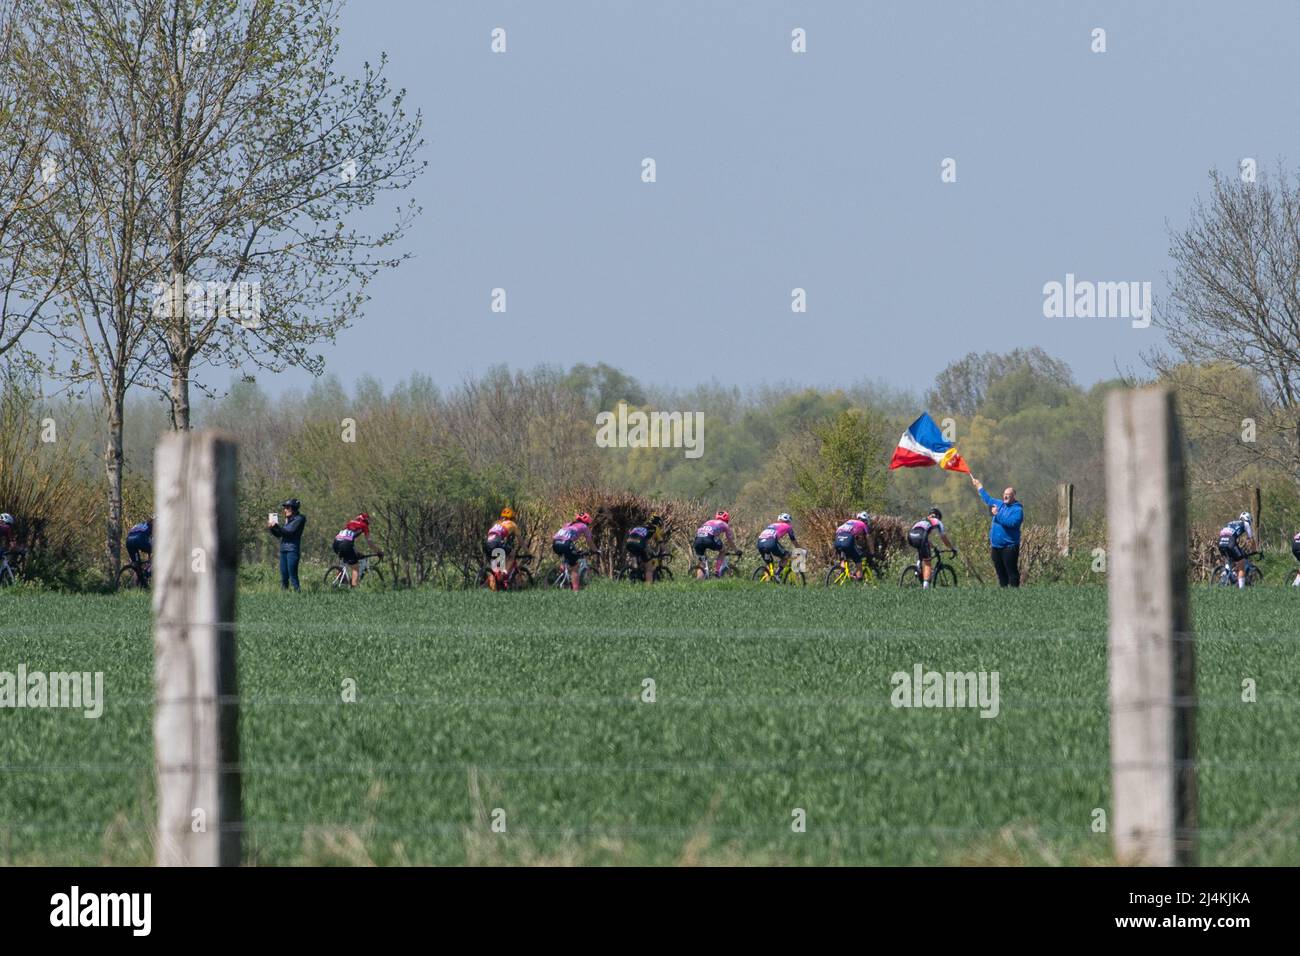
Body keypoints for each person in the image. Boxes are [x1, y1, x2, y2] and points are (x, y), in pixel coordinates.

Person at [970, 475, 1024, 587]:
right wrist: (979, 486)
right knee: (1000, 573)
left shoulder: (1018, 510)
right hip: (996, 546)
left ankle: (1015, 594)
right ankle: (1003, 594)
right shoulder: (999, 504)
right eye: (1005, 494)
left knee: (1011, 572)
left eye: (1008, 495)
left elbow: (1012, 523)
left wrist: (997, 515)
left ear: (1014, 497)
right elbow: (988, 499)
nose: (1006, 496)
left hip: (1009, 546)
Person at [907, 508, 956, 588]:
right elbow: (944, 538)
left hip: (910, 536)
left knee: (921, 552)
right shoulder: (938, 522)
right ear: (938, 517)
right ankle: (926, 588)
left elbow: (923, 537)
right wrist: (952, 548)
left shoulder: (923, 520)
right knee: (927, 563)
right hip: (920, 537)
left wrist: (933, 546)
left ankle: (918, 568)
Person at [333, 512, 382, 587]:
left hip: (336, 542)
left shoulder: (351, 523)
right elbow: (369, 542)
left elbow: (348, 538)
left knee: (343, 562)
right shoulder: (364, 525)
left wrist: (356, 552)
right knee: (355, 567)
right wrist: (378, 551)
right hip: (346, 544)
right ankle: (354, 589)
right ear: (366, 520)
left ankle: (341, 581)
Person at [267, 498, 306, 591]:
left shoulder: (300, 518)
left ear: (294, 508)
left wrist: (276, 526)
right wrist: (272, 528)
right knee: (284, 575)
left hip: (292, 549)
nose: (285, 510)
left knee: (293, 575)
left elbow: (289, 532)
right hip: (284, 549)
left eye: (287, 507)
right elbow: (280, 534)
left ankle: (298, 594)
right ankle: (284, 596)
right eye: (284, 508)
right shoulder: (288, 520)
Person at [552, 511, 596, 592]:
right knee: (575, 567)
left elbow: (563, 536)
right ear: (586, 522)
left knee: (565, 561)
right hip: (566, 544)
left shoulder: (568, 524)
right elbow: (589, 541)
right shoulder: (584, 526)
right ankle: (576, 591)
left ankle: (563, 577)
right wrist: (595, 550)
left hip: (555, 543)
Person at [1217, 511, 1257, 589]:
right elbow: (1251, 539)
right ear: (1248, 519)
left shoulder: (1231, 523)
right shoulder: (1246, 524)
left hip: (1220, 541)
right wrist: (1254, 549)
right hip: (1230, 541)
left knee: (1230, 559)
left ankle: (1225, 574)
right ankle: (1242, 590)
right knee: (1241, 563)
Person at [484, 507, 521, 588]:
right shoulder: (512, 524)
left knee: (496, 567)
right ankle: (505, 573)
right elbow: (521, 541)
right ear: (512, 518)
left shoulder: (497, 524)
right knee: (512, 553)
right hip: (497, 543)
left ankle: (495, 582)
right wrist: (527, 552)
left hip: (487, 543)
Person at [624, 514, 667, 583]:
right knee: (649, 568)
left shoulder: (638, 527)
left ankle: (634, 571)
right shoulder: (655, 528)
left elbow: (641, 539)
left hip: (629, 543)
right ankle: (647, 587)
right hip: (639, 544)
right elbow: (660, 542)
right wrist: (665, 552)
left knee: (637, 559)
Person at [833, 511, 876, 580]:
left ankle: (845, 572)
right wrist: (872, 552)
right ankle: (858, 580)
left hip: (837, 540)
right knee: (858, 561)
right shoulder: (863, 525)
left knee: (844, 557)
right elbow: (869, 539)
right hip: (847, 541)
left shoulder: (850, 521)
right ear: (865, 521)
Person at [693, 510, 735, 578]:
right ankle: (717, 570)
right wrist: (736, 550)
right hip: (708, 539)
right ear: (727, 519)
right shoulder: (725, 524)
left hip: (697, 540)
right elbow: (730, 540)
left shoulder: (708, 522)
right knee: (723, 550)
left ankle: (699, 581)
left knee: (702, 562)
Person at [757, 512, 800, 577]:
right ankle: (777, 575)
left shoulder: (771, 525)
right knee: (786, 556)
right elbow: (793, 540)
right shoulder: (788, 527)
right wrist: (799, 549)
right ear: (788, 521)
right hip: (771, 543)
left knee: (769, 563)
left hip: (760, 543)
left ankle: (769, 578)